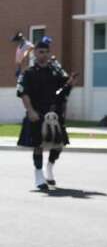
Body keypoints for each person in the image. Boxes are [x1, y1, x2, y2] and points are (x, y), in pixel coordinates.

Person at [17, 36, 74, 192]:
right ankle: (38, 175)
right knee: (38, 146)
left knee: (59, 145)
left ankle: (49, 168)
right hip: (37, 112)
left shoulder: (55, 72)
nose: (44, 55)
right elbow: (23, 93)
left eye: (46, 52)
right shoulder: (28, 73)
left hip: (54, 114)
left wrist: (69, 84)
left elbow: (62, 91)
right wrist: (30, 111)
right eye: (41, 52)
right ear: (35, 53)